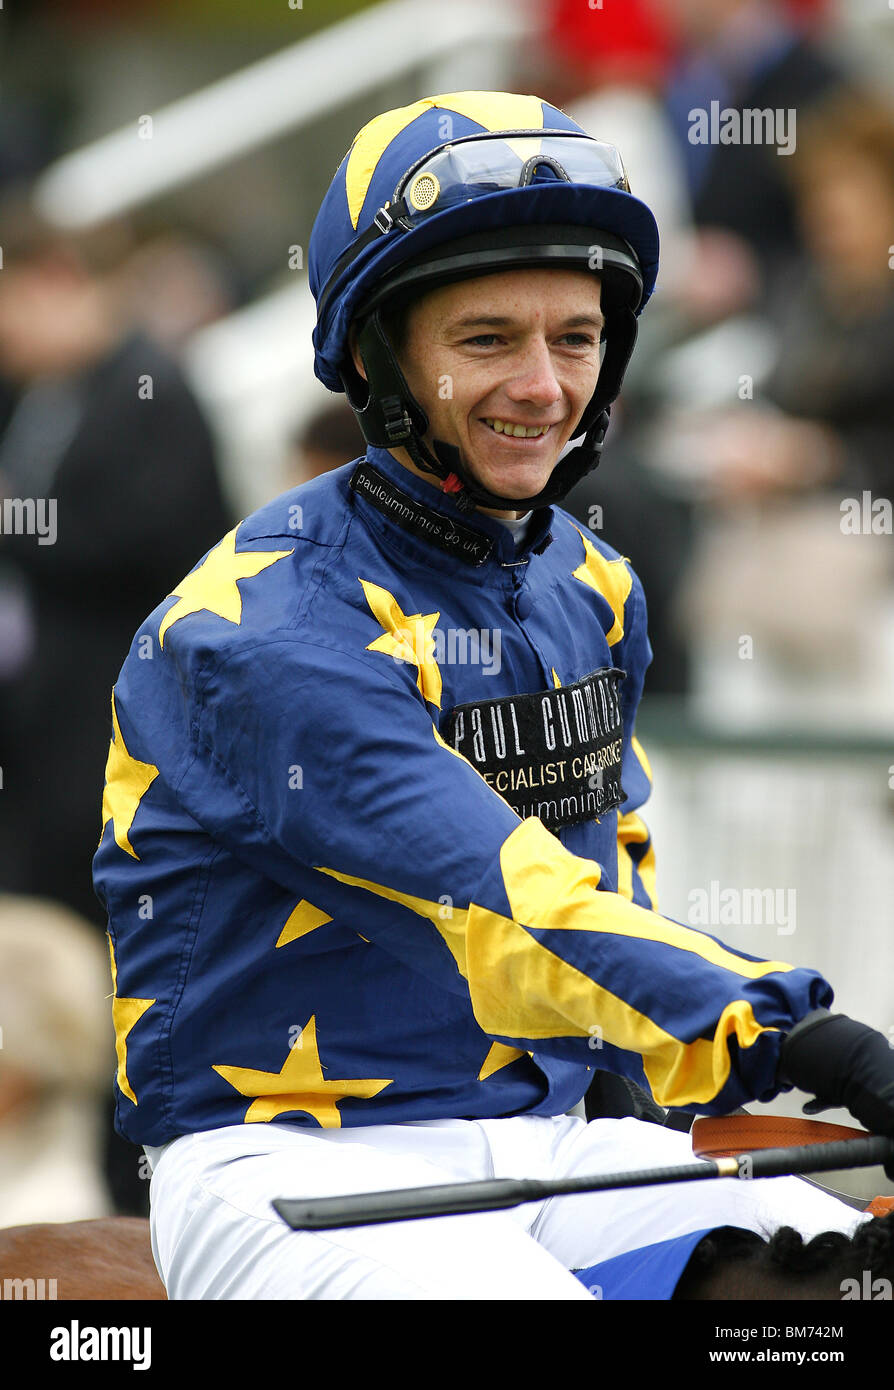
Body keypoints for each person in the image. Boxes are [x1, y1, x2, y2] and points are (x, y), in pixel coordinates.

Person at [94, 91, 894, 1300]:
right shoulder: (262, 633)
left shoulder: (593, 581)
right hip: (292, 1167)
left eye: (574, 339)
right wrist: (799, 1037)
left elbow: (608, 895)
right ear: (376, 356)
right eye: (486, 340)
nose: (542, 385)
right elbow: (510, 905)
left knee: (846, 1291)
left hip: (559, 1142)